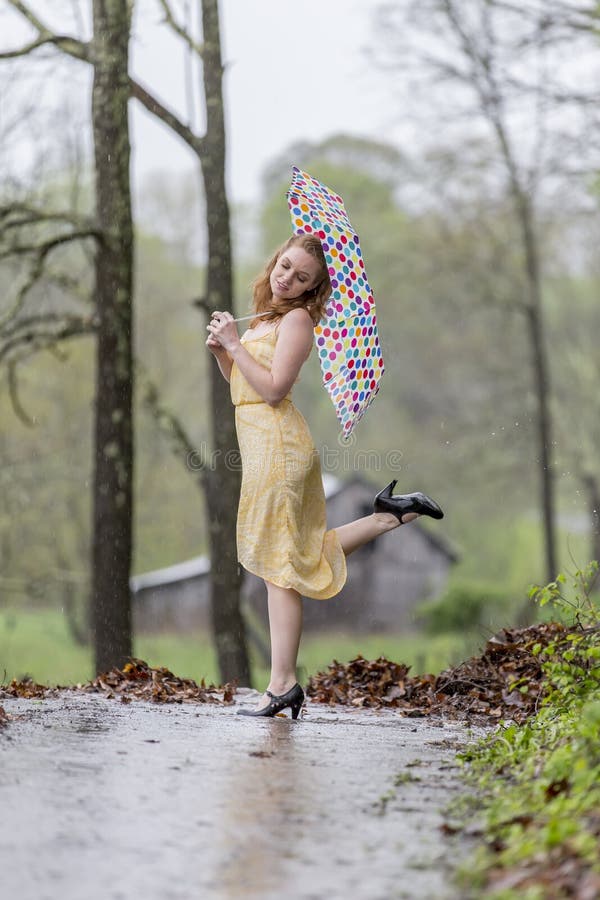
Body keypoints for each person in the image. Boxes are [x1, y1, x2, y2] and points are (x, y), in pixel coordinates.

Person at [206, 233, 443, 719]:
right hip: (260, 448)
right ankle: (387, 516)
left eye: (302, 278)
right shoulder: (267, 317)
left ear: (313, 289)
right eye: (285, 266)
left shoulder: (296, 321)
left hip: (280, 449)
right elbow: (242, 384)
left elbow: (273, 390)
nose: (287, 278)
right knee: (295, 556)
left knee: (281, 569)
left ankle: (283, 683)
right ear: (276, 259)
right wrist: (221, 352)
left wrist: (234, 342)